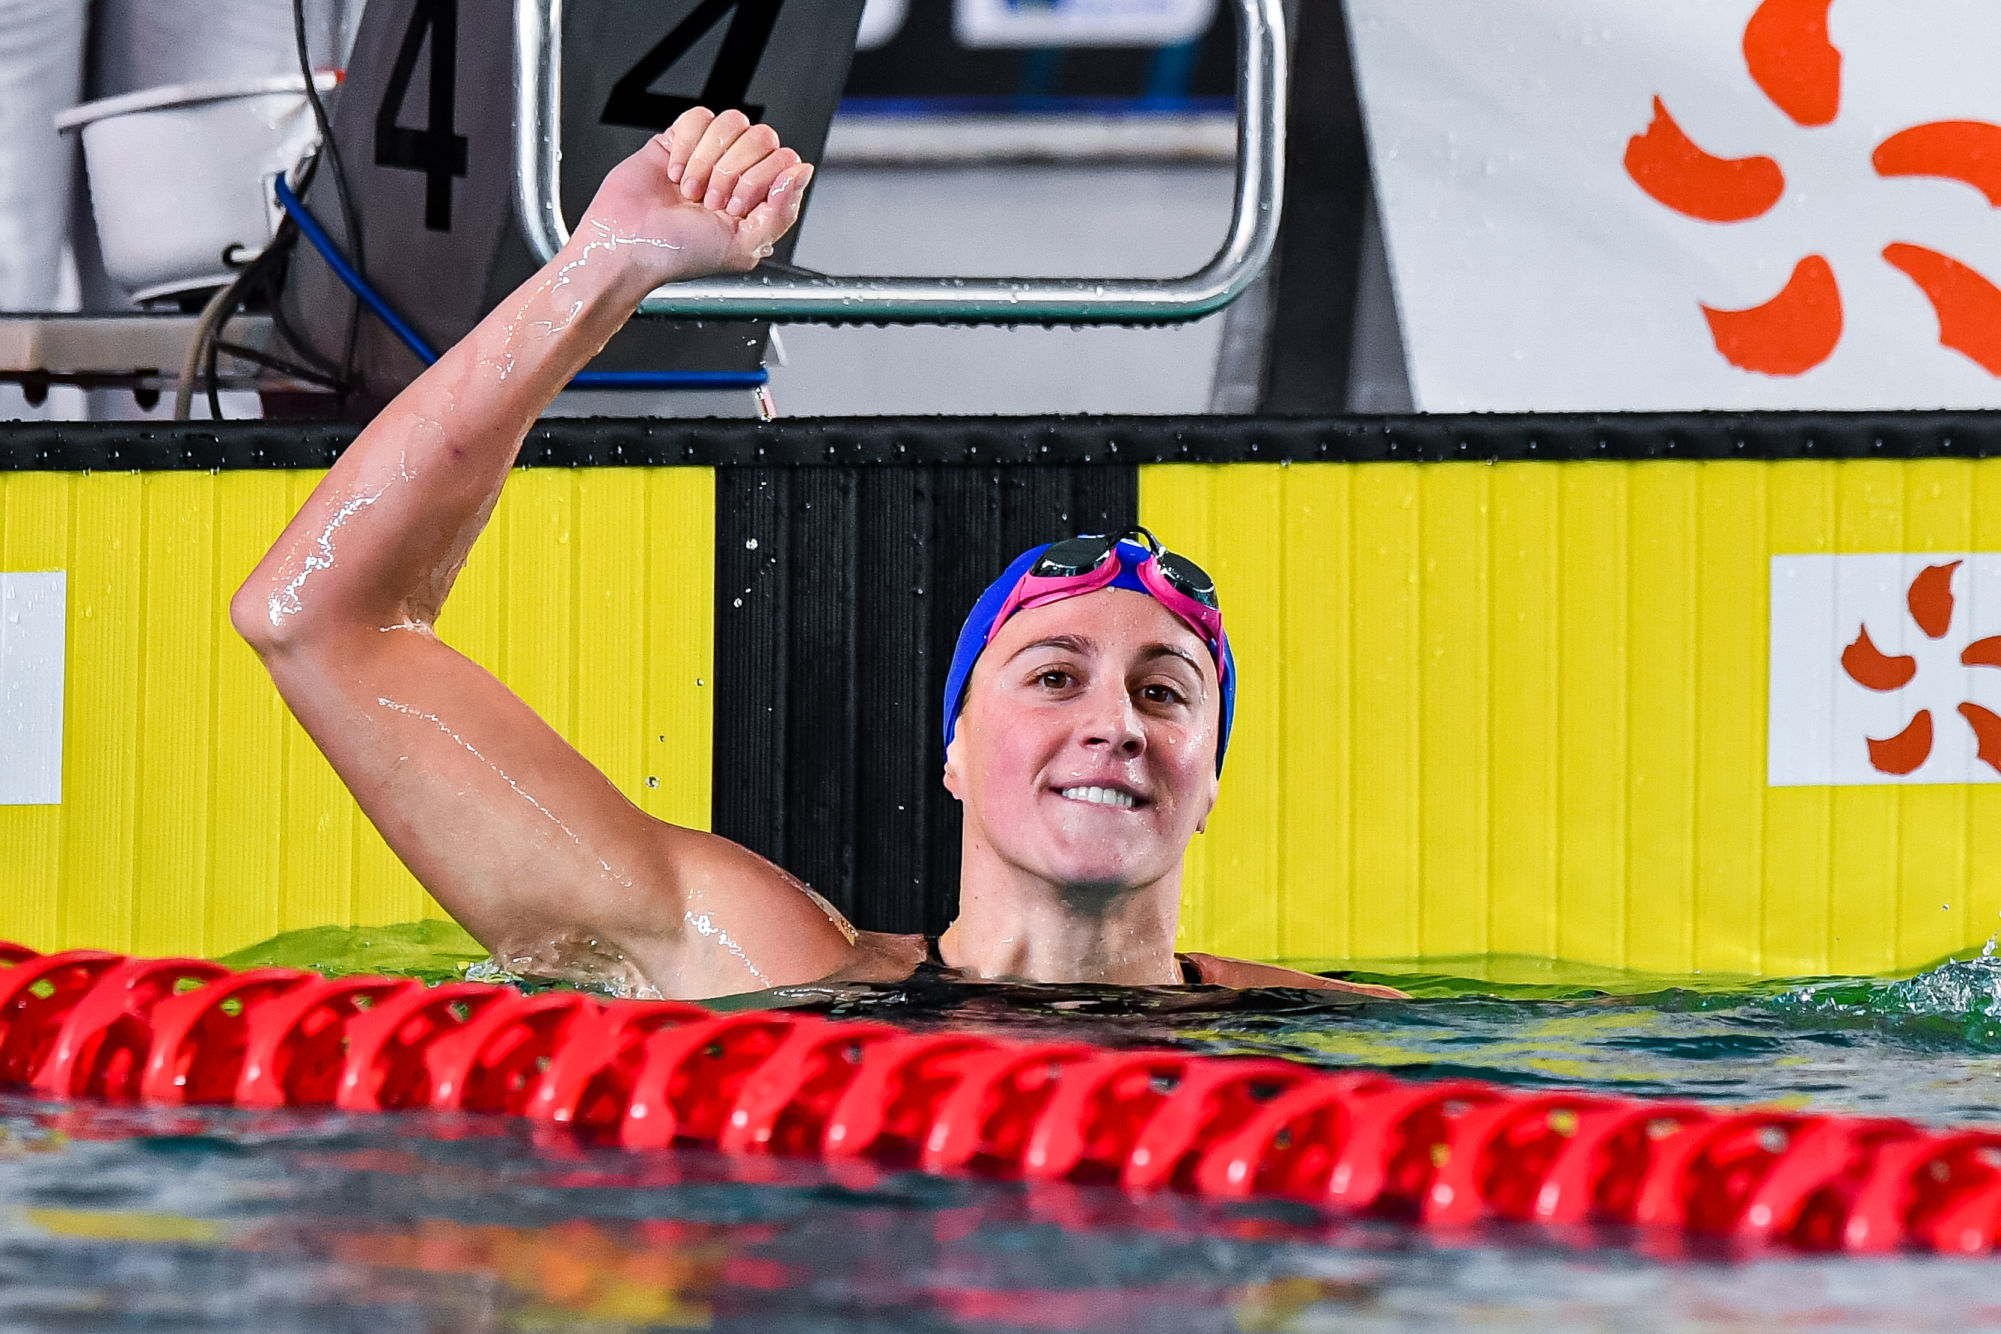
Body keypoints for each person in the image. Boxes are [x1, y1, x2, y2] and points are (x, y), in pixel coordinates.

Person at [232, 107, 1403, 1002]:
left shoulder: (1327, 1034)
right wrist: (610, 267)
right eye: (1054, 674)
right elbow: (317, 615)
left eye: (1165, 690)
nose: (1116, 723)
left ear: (1207, 783)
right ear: (953, 750)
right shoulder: (762, 965)